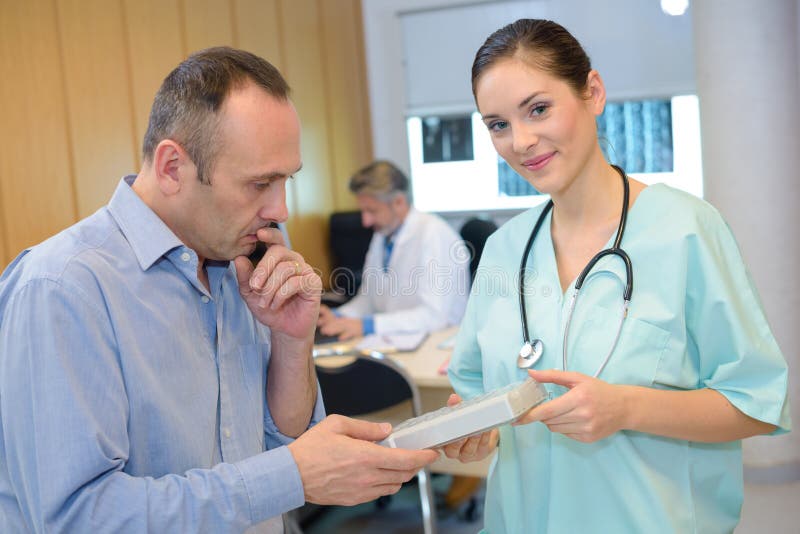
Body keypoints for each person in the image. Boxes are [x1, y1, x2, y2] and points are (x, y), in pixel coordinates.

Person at [0, 47, 438, 533]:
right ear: (172, 167)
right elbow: (77, 520)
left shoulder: (242, 256)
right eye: (259, 184)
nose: (281, 210)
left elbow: (283, 445)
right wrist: (290, 476)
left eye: (286, 181)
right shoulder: (62, 288)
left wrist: (293, 342)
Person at [443, 19, 790, 533]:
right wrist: (476, 433)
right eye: (497, 124)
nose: (521, 141)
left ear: (594, 92)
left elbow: (754, 404)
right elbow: (479, 395)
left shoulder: (686, 230)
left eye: (538, 109)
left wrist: (625, 407)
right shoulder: (502, 250)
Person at [317, 160, 469, 340]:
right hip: (397, 341)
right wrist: (338, 315)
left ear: (398, 202)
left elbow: (434, 316)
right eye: (363, 211)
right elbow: (369, 298)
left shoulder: (434, 234)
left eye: (372, 211)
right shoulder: (383, 234)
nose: (365, 221)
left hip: (436, 343)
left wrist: (367, 325)